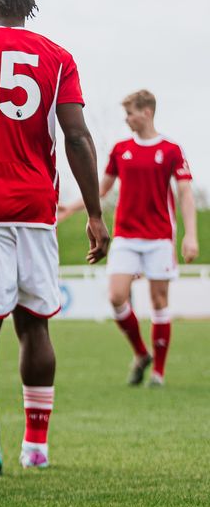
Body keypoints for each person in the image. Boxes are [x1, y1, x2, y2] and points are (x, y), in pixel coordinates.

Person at [0, 0, 109, 474]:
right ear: (28, 9)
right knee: (35, 327)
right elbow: (77, 136)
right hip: (37, 209)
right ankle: (35, 448)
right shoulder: (57, 57)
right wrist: (96, 214)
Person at [60, 89, 196, 386]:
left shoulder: (171, 150)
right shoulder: (121, 149)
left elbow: (185, 192)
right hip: (126, 235)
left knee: (159, 302)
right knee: (116, 295)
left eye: (130, 113)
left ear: (146, 112)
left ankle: (158, 373)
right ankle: (141, 352)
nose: (127, 119)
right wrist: (71, 207)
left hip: (159, 237)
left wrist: (191, 236)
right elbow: (103, 189)